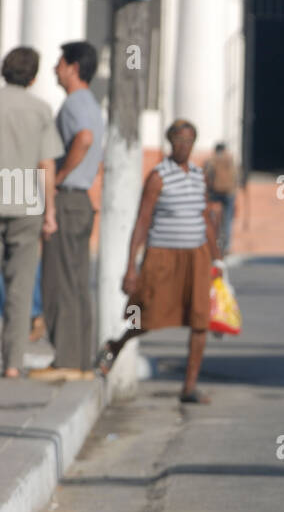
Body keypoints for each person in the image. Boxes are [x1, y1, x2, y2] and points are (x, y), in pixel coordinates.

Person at [95, 119, 220, 402]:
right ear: (170, 142)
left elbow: (205, 218)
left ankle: (189, 387)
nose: (183, 146)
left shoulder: (200, 176)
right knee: (148, 317)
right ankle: (115, 345)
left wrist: (218, 260)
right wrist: (131, 268)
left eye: (189, 141)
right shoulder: (158, 177)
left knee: (200, 321)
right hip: (163, 256)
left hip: (196, 257)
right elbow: (142, 221)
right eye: (178, 140)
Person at [30, 41, 104, 381]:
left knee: (59, 280)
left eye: (60, 64)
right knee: (76, 282)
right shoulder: (91, 102)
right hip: (82, 198)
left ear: (74, 67)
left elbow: (84, 139)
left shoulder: (75, 103)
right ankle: (81, 359)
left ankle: (66, 361)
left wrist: (58, 178)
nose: (55, 69)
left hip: (69, 197)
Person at [0, 47, 63, 378]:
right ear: (34, 76)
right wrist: (50, 210)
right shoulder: (40, 109)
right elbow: (46, 164)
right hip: (24, 199)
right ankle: (12, 363)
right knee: (21, 286)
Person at [204, 142, 238, 256]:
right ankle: (227, 246)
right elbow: (236, 176)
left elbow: (206, 175)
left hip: (215, 192)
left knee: (213, 219)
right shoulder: (230, 160)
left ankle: (214, 242)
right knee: (227, 221)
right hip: (229, 192)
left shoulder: (212, 160)